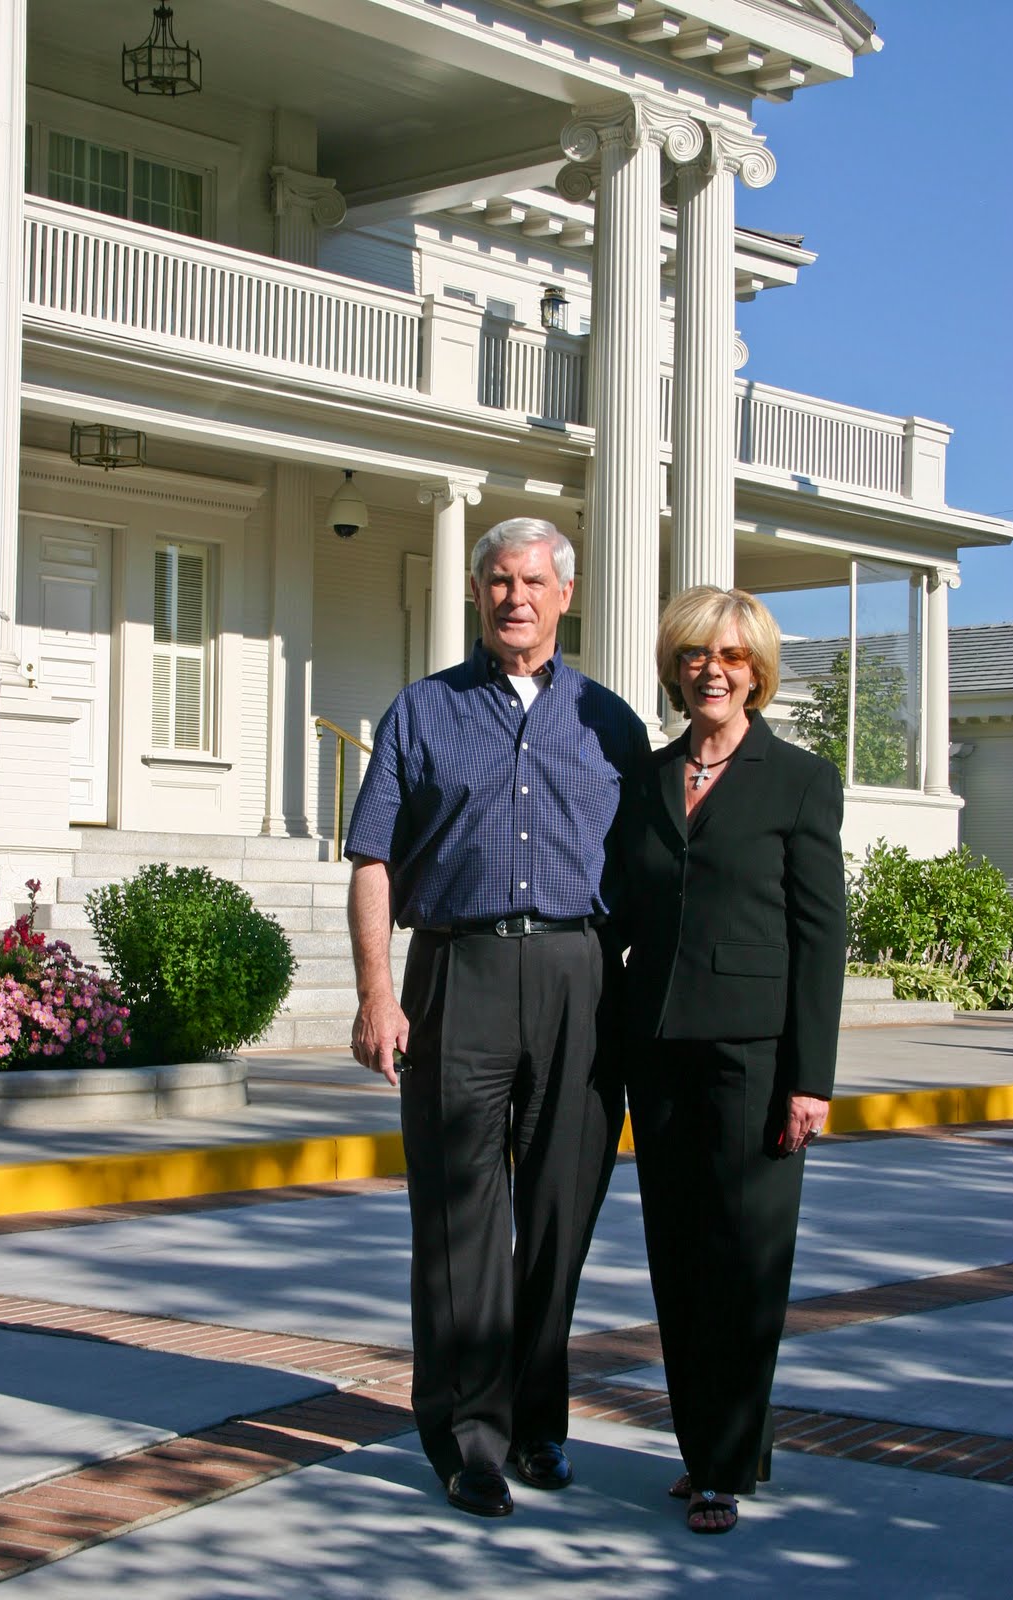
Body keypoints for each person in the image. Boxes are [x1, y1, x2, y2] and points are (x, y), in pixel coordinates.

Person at [345, 516, 649, 1519]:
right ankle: (468, 1440)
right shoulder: (421, 711)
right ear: (476, 594)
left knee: (559, 1220)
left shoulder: (612, 724)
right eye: (496, 581)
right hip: (455, 975)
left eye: (532, 581)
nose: (513, 596)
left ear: (565, 595)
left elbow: (653, 874)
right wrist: (377, 993)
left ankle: (539, 1423)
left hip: (579, 977)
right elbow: (374, 861)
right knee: (456, 1221)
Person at [618, 585, 846, 1536]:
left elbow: (818, 933)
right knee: (677, 1255)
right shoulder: (648, 773)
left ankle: (723, 1464)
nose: (711, 671)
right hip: (657, 1049)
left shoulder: (798, 778)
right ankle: (711, 1446)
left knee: (744, 1259)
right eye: (694, 656)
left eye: (731, 657)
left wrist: (811, 1078)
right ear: (674, 668)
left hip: (755, 1053)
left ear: (756, 671)